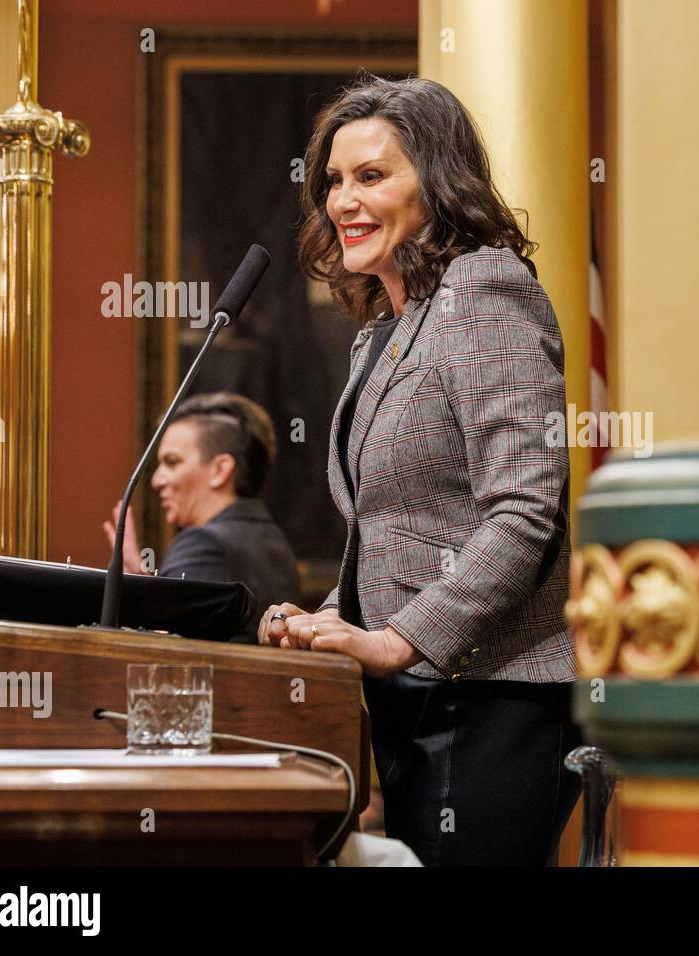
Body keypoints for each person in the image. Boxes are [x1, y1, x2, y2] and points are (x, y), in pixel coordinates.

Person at [257, 74, 581, 867]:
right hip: (415, 707)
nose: (343, 201)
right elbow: (401, 531)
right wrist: (325, 623)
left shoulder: (484, 292)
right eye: (334, 181)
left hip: (495, 703)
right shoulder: (387, 329)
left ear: (438, 185)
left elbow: (523, 514)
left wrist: (400, 642)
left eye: (372, 176)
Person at [103, 392, 300, 643]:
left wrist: (135, 600)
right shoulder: (276, 541)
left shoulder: (202, 543)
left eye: (172, 462)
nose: (157, 480)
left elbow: (165, 657)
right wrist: (146, 589)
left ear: (220, 470)